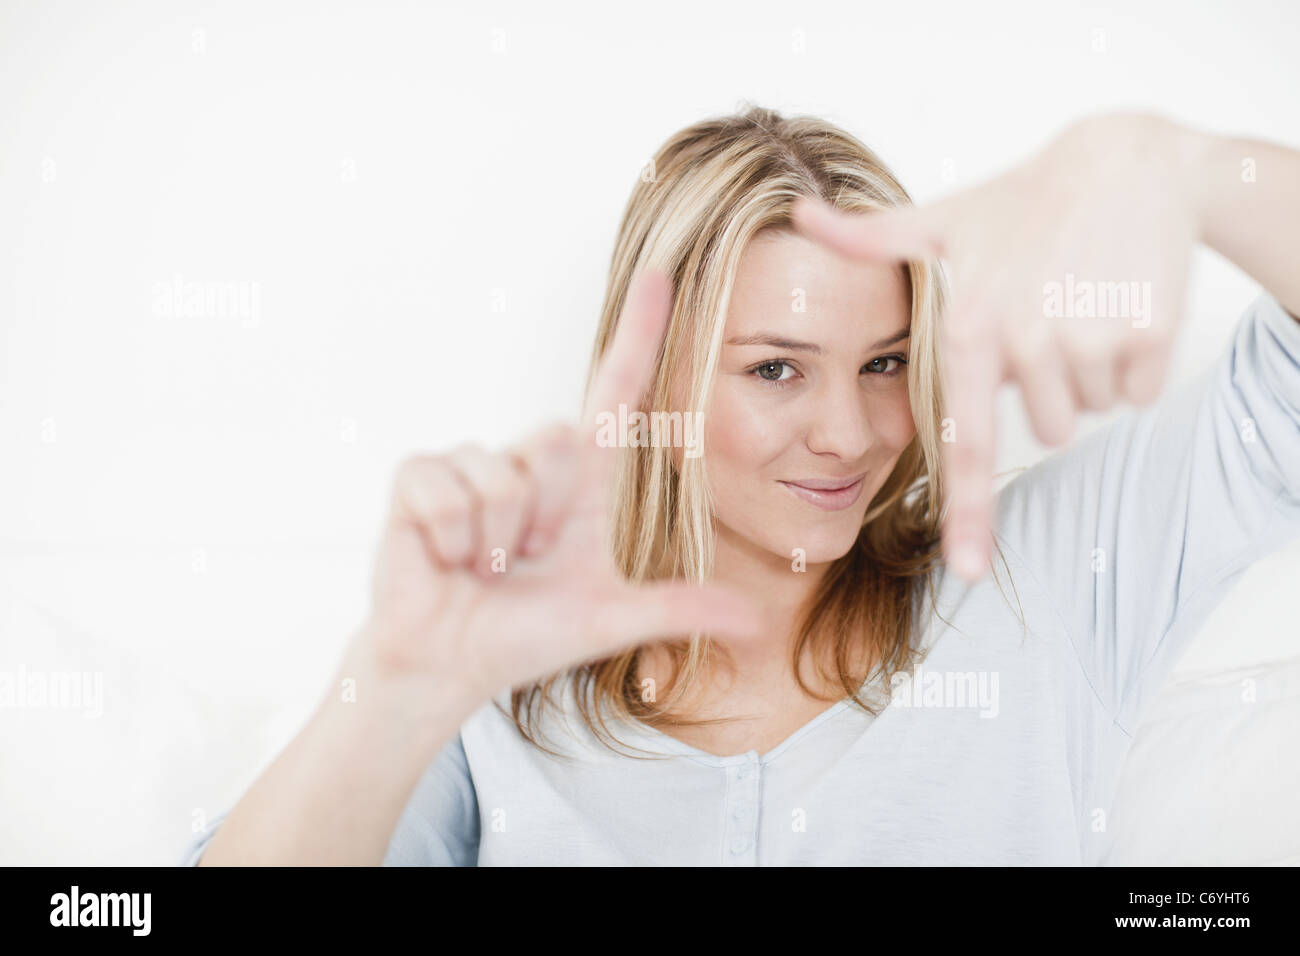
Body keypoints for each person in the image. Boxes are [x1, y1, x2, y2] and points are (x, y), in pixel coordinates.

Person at [181, 106, 1300, 865]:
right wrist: (394, 683)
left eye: (886, 363)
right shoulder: (502, 685)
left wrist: (1182, 166)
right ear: (658, 373)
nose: (850, 431)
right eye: (776, 368)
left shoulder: (1042, 577)